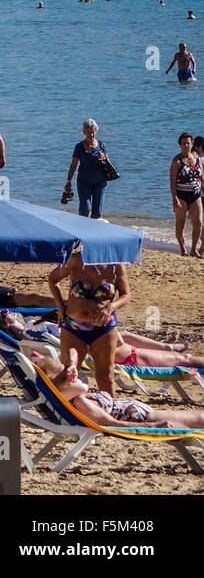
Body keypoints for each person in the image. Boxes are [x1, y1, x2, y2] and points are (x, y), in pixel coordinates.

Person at [46, 246, 130, 397]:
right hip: (73, 326)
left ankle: (109, 415)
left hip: (104, 328)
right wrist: (60, 306)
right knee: (67, 376)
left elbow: (126, 295)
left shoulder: (115, 264)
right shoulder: (75, 260)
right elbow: (53, 279)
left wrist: (110, 307)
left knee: (106, 377)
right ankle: (65, 415)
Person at [36, 356, 204, 429]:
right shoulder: (80, 401)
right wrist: (152, 426)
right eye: (65, 373)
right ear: (61, 384)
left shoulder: (70, 397)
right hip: (147, 418)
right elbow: (111, 424)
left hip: (145, 412)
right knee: (200, 419)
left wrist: (70, 364)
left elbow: (72, 351)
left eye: (67, 368)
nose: (71, 372)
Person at [66, 119, 111, 218]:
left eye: (93, 132)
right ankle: (82, 230)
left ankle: (94, 232)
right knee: (85, 208)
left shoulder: (101, 145)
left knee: (97, 212)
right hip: (84, 182)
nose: (91, 135)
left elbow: (108, 163)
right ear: (84, 132)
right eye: (88, 133)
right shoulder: (79, 147)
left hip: (100, 182)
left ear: (96, 131)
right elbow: (73, 165)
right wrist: (68, 181)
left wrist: (103, 158)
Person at [169, 131, 203, 257]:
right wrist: (174, 198)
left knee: (199, 222)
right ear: (180, 145)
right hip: (181, 196)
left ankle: (194, 249)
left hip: (196, 195)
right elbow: (172, 181)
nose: (186, 146)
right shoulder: (177, 161)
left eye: (188, 143)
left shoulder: (196, 157)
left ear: (192, 143)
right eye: (183, 144)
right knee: (180, 223)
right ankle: (183, 248)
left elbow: (202, 177)